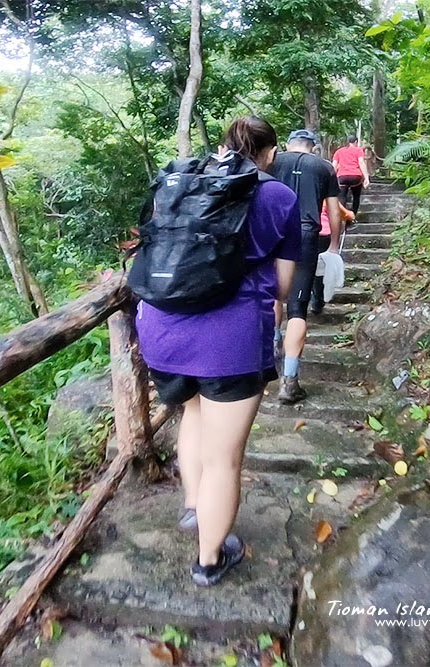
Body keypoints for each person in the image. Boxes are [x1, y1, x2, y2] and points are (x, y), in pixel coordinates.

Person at [136, 117, 301, 586]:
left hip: (162, 329)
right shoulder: (277, 196)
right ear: (269, 153)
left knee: (192, 414)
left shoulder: (182, 182)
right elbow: (283, 288)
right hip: (228, 342)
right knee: (226, 459)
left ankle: (195, 506)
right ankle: (210, 558)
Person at [270, 129, 342, 404]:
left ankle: (273, 345)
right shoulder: (323, 167)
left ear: (288, 145)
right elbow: (334, 210)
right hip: (306, 236)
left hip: (274, 234)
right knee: (297, 308)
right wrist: (334, 245)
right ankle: (289, 381)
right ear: (313, 147)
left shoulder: (275, 162)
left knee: (274, 293)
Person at [310, 200, 354, 314]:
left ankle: (306, 298)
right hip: (324, 235)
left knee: (308, 266)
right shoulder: (327, 199)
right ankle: (317, 300)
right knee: (321, 269)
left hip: (307, 233)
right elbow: (347, 215)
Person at [332, 135, 371, 221]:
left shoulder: (338, 151)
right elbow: (361, 162)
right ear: (356, 142)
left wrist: (331, 179)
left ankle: (342, 218)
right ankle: (353, 216)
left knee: (342, 197)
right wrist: (366, 178)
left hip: (342, 177)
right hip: (355, 177)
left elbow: (334, 166)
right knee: (356, 197)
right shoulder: (358, 150)